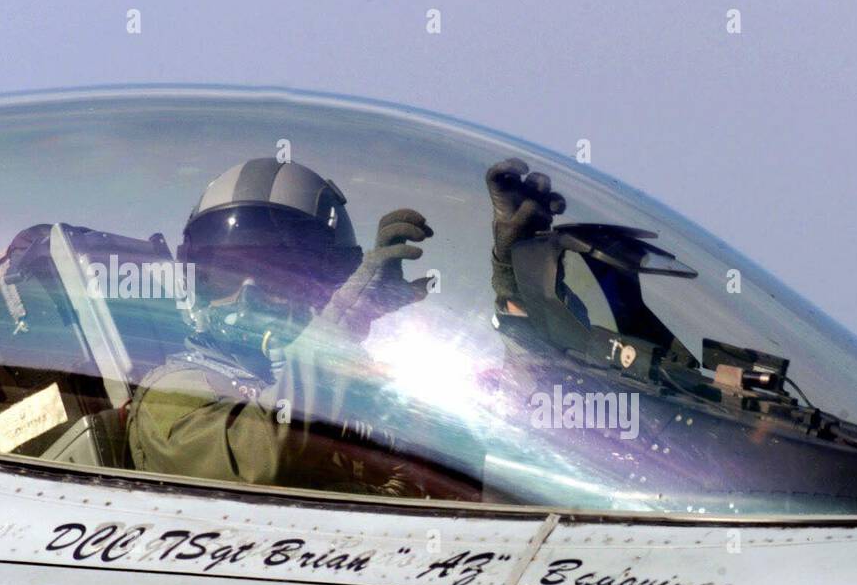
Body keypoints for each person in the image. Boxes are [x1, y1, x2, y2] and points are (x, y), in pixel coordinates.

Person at [127, 156, 564, 497]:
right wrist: (347, 320)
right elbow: (260, 459)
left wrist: (521, 286)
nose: (248, 293)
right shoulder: (174, 392)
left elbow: (516, 437)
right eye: (226, 272)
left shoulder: (362, 394)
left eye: (279, 273)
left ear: (326, 286)